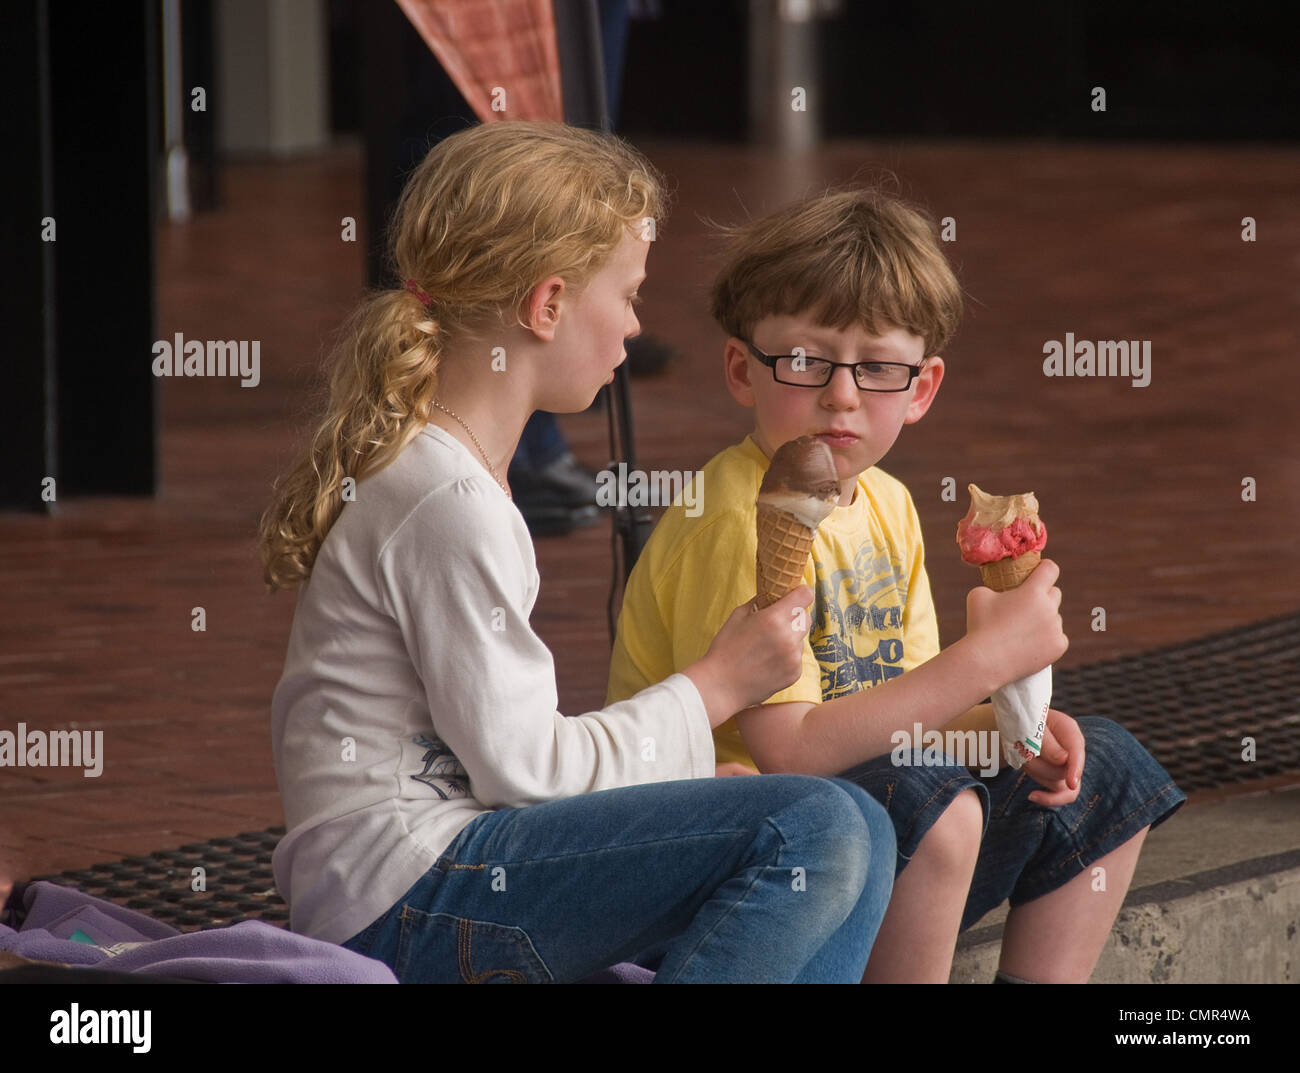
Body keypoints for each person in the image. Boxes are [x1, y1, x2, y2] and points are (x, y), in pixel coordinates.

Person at [257, 122, 896, 984]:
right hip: (404, 900)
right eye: (628, 293)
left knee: (859, 823)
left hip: (438, 875)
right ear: (547, 305)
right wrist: (717, 685)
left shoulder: (450, 475)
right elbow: (528, 772)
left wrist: (695, 785)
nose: (637, 325)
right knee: (814, 829)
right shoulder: (445, 499)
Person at [606, 186, 1187, 983]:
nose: (841, 394)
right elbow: (792, 751)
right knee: (939, 806)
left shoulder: (890, 503)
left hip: (877, 824)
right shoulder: (737, 519)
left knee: (1107, 768)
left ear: (922, 388)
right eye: (807, 360)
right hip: (743, 872)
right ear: (742, 369)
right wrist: (986, 658)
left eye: (877, 367)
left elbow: (919, 711)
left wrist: (1007, 725)